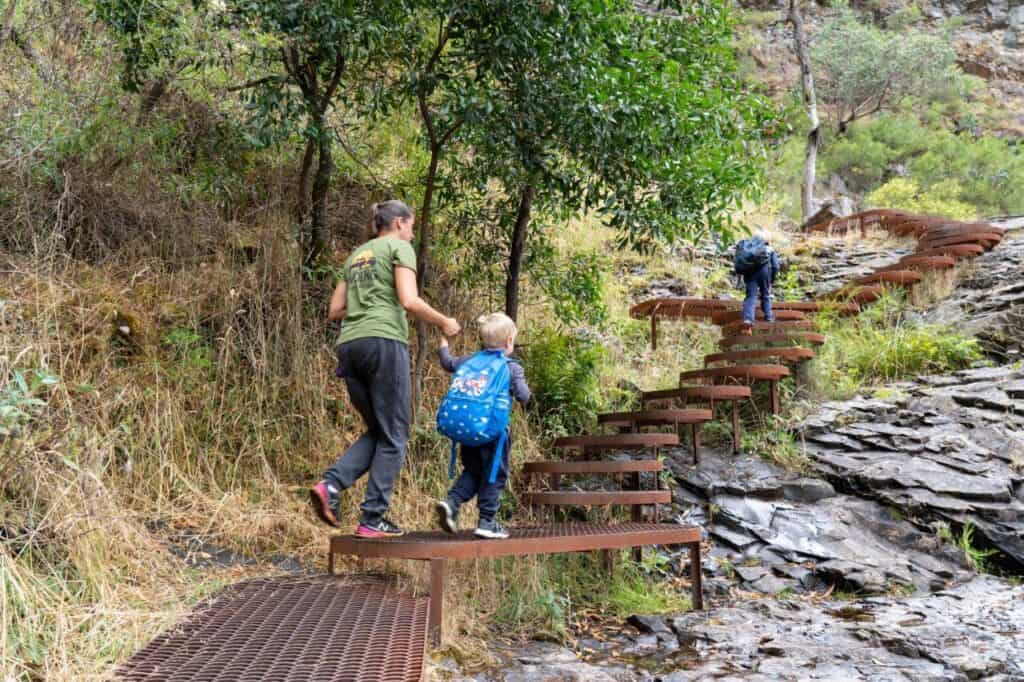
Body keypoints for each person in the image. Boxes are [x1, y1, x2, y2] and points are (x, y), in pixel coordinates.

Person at [310, 200, 461, 538]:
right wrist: (444, 322)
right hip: (383, 343)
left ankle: (330, 486)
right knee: (397, 433)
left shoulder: (357, 255)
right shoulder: (398, 248)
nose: (411, 233)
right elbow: (409, 300)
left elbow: (335, 309)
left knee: (382, 431)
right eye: (411, 227)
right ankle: (372, 518)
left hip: (350, 346)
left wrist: (368, 303)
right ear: (398, 223)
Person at [434, 313, 530, 540]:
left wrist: (444, 342)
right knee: (494, 475)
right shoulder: (510, 367)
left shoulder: (469, 361)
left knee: (474, 471)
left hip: (467, 432)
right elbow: (524, 396)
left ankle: (452, 502)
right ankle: (487, 521)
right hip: (493, 435)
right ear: (508, 342)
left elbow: (447, 363)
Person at [735, 231, 780, 329]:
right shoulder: (769, 249)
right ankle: (769, 317)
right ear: (767, 239)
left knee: (751, 296)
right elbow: (776, 266)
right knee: (766, 295)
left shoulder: (748, 248)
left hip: (750, 274)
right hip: (765, 273)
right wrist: (771, 280)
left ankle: (748, 319)